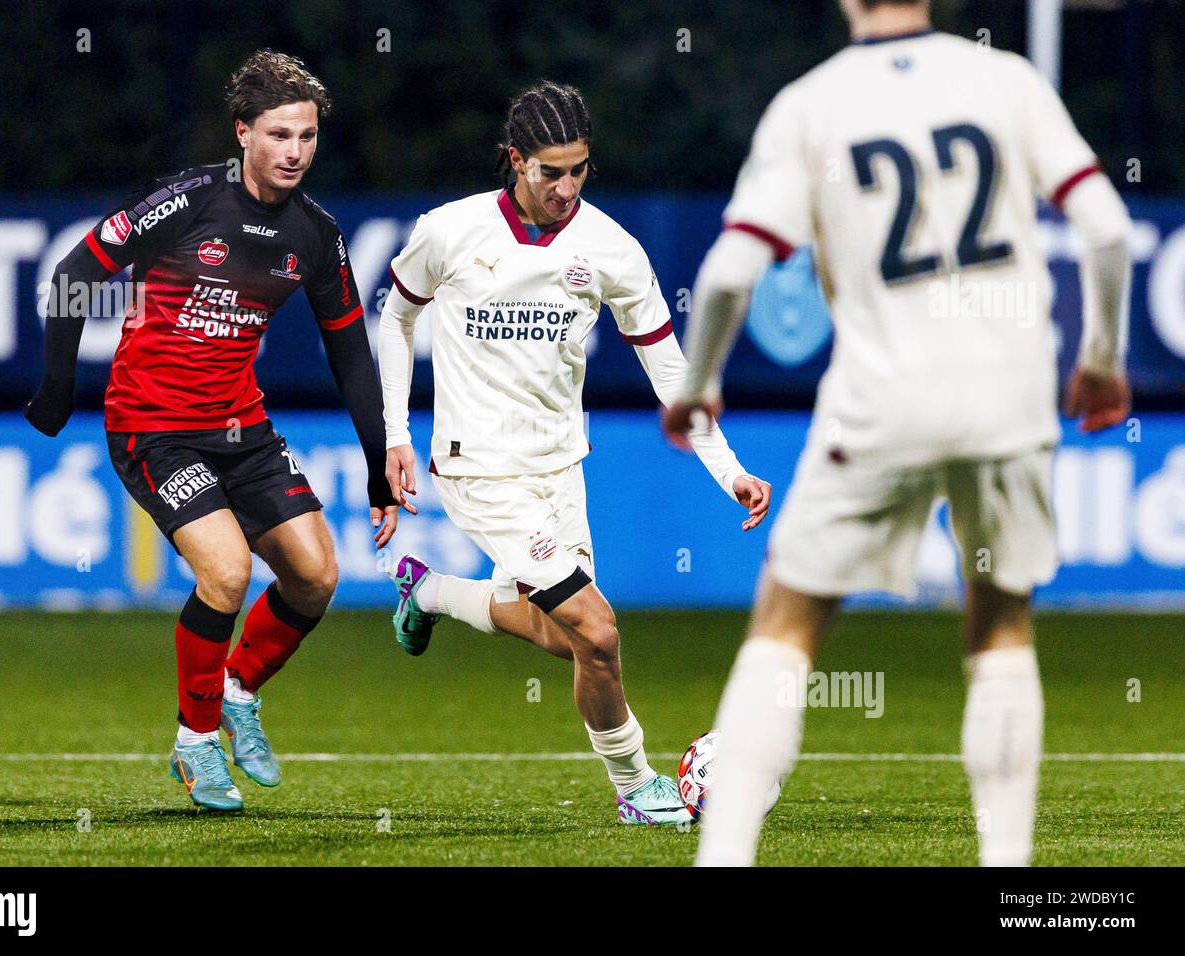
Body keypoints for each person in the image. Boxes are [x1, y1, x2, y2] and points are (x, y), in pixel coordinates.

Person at [664, 0, 1132, 864]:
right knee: (999, 628)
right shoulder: (1006, 80)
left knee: (786, 628)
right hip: (1010, 394)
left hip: (879, 398)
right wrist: (1100, 356)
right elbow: (1106, 228)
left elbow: (730, 271)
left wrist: (698, 387)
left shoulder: (811, 104)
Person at [378, 82, 773, 825]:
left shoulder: (611, 249)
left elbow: (669, 370)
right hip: (479, 468)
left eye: (579, 171)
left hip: (561, 467)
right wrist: (395, 433)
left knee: (569, 641)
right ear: (514, 160)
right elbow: (395, 319)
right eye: (549, 172)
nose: (565, 189)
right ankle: (637, 788)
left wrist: (730, 471)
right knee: (599, 630)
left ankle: (428, 592)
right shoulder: (450, 231)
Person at [24, 50, 398, 811]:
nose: (295, 152)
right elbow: (72, 275)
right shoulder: (187, 201)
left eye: (307, 137)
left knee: (318, 574)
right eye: (279, 135)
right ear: (243, 133)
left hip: (242, 426)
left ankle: (237, 691)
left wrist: (374, 460)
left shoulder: (317, 236)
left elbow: (350, 348)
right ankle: (194, 745)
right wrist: (57, 389)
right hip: (151, 426)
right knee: (225, 572)